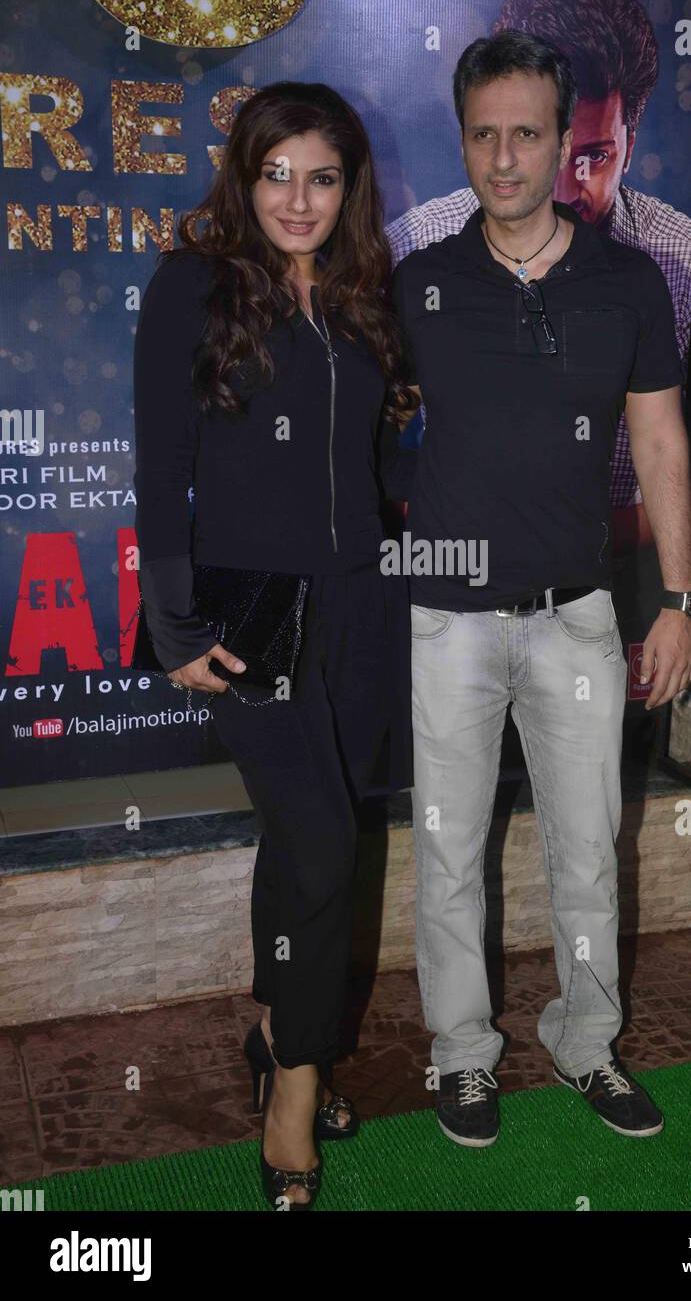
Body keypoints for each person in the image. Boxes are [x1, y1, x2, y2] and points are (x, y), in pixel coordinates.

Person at [390, 30, 691, 1148]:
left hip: (579, 617)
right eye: (486, 133)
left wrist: (681, 596)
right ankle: (464, 1054)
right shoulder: (420, 282)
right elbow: (362, 421)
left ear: (567, 137)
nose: (507, 156)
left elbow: (662, 443)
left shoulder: (632, 279)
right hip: (450, 619)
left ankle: (586, 1042)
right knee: (448, 848)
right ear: (464, 138)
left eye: (529, 133)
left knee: (587, 850)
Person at [133, 82, 417, 1209]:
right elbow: (160, 469)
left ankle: (270, 1021)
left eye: (322, 176)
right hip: (248, 613)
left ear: (349, 187)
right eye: (276, 173)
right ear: (243, 178)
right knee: (323, 848)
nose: (298, 199)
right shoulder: (192, 283)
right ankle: (294, 1087)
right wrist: (174, 625)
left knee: (308, 841)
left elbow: (381, 459)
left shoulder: (362, 296)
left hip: (360, 606)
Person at [386, 0, 691, 552]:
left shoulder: (673, 257)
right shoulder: (419, 250)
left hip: (619, 565)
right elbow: (378, 425)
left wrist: (675, 591)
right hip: (462, 576)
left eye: (595, 157)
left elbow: (671, 445)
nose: (563, 184)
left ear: (633, 141)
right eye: (522, 137)